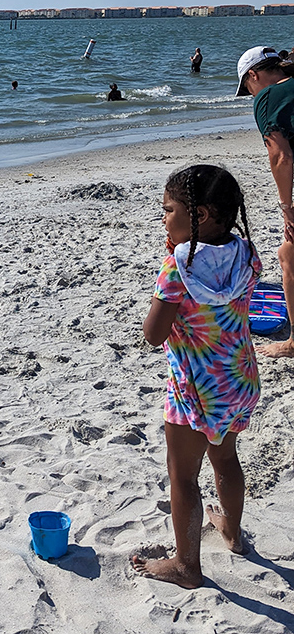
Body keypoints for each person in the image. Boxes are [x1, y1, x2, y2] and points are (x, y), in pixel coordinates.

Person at [131, 164, 261, 589]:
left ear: (199, 214)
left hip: (195, 391)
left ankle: (187, 565)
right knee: (225, 458)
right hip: (237, 381)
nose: (163, 218)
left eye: (168, 210)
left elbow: (153, 335)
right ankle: (232, 533)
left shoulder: (178, 269)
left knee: (183, 475)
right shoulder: (246, 253)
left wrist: (171, 264)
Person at [236, 45, 294, 357]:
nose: (251, 93)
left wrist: (287, 209)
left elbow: (280, 156)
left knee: (289, 255)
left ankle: (293, 342)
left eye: (247, 87)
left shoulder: (267, 98)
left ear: (254, 76)